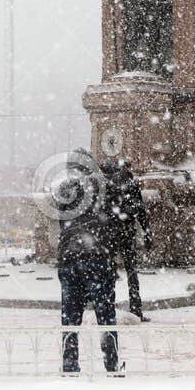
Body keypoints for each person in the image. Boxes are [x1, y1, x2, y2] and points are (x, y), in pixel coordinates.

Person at [55, 151, 120, 373]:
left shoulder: (64, 190)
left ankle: (70, 363)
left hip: (69, 260)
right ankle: (111, 364)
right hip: (97, 259)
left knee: (70, 318)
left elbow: (62, 221)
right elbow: (114, 219)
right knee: (106, 316)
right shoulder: (101, 188)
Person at [100, 158, 150, 320]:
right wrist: (147, 232)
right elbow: (141, 211)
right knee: (131, 270)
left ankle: (107, 307)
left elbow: (101, 211)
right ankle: (136, 308)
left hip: (111, 233)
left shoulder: (107, 184)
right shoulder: (132, 184)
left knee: (109, 270)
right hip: (127, 231)